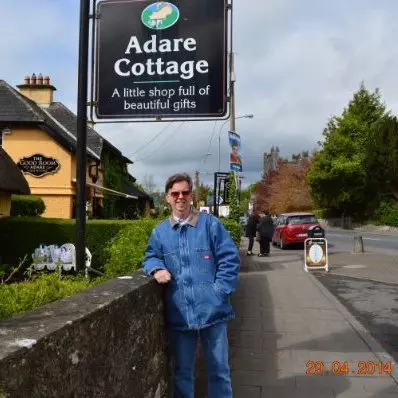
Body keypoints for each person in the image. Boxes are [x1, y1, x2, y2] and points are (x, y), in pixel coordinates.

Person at [143, 173, 240, 398]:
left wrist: (220, 292)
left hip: (213, 312)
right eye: (175, 193)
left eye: (185, 193)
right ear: (167, 197)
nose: (180, 197)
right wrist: (157, 268)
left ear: (191, 196)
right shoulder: (160, 232)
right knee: (182, 373)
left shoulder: (210, 225)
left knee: (220, 372)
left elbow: (230, 258)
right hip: (180, 314)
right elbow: (150, 257)